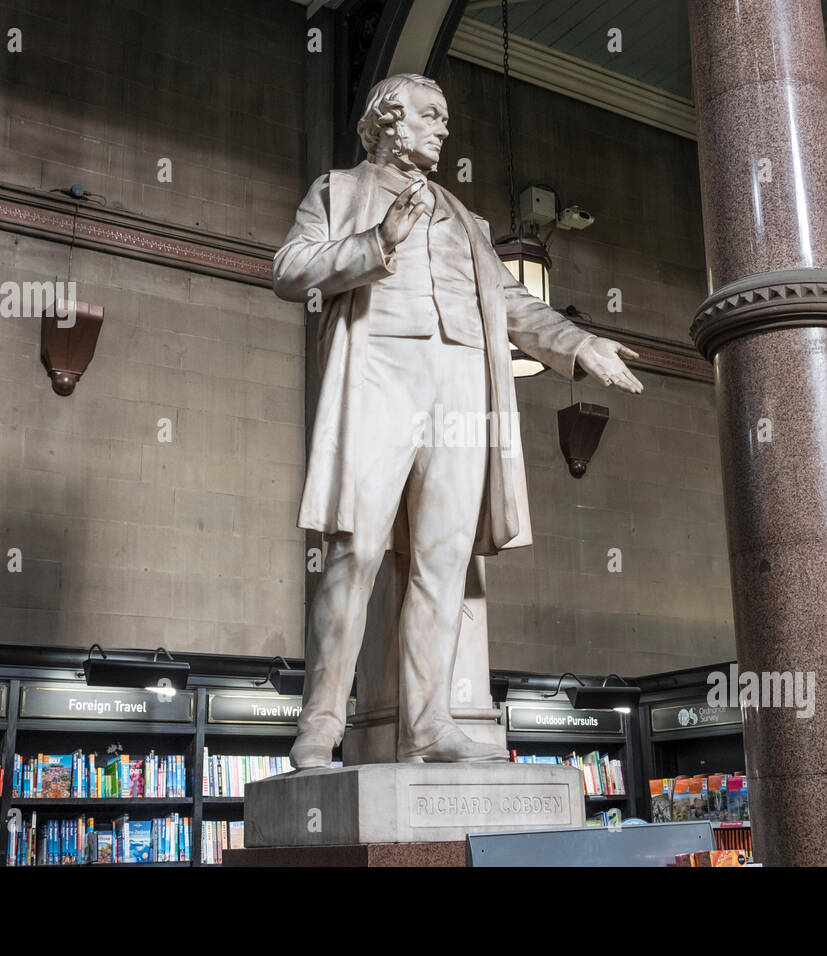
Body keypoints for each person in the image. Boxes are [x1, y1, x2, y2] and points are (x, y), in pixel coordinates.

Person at [274, 73, 642, 768]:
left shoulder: (468, 222)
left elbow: (513, 308)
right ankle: (320, 724)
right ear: (390, 119)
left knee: (445, 564)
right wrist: (377, 242)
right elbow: (290, 270)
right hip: (381, 377)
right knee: (355, 554)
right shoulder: (340, 191)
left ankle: (430, 721)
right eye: (432, 115)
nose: (444, 127)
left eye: (445, 117)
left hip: (462, 390)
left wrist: (579, 343)